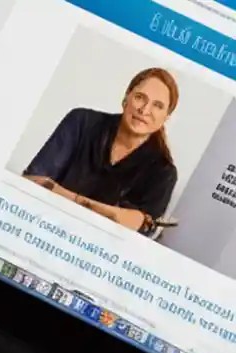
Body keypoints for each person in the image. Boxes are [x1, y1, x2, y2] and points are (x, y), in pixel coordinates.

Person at [24, 67, 180, 237]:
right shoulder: (81, 122)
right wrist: (113, 214)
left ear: (167, 117)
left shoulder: (164, 172)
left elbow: (136, 234)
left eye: (158, 106)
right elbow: (30, 183)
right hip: (39, 228)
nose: (144, 110)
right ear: (126, 97)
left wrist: (61, 193)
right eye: (140, 97)